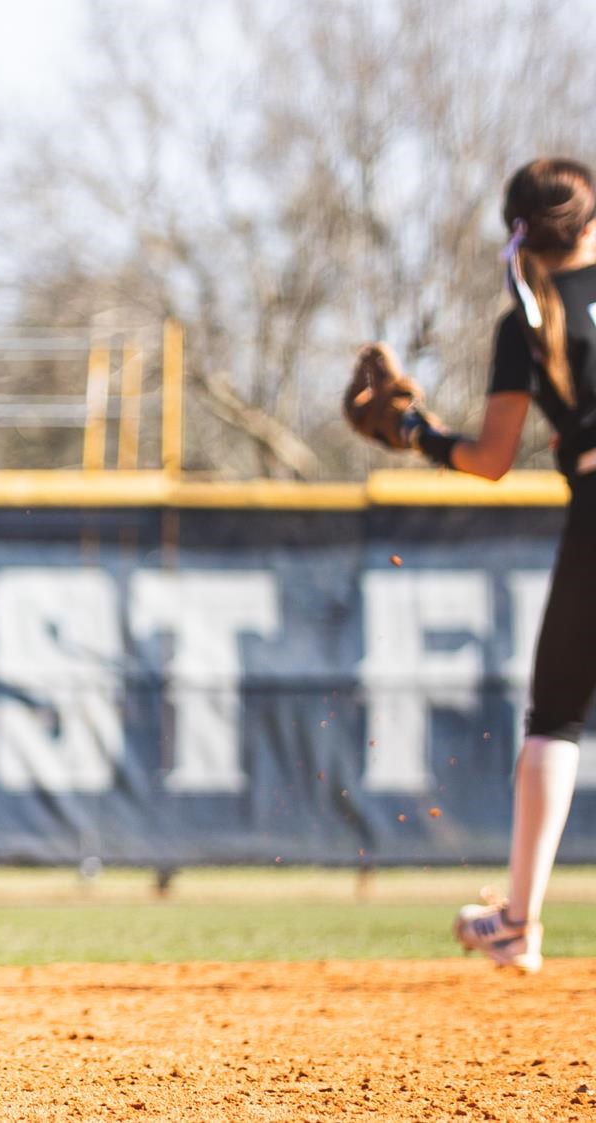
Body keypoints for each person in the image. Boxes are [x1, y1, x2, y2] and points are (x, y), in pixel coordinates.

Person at [347, 157, 596, 974]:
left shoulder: (528, 319)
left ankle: (518, 925)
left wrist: (415, 431)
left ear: (518, 233)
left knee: (556, 718)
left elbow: (492, 459)